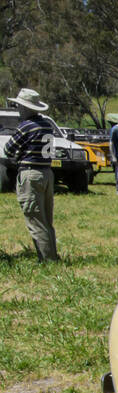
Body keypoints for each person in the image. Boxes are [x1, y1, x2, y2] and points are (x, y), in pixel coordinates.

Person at [2, 87, 59, 262]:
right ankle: (52, 254)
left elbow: (8, 149)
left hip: (30, 174)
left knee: (34, 218)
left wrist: (20, 155)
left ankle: (47, 260)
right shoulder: (47, 125)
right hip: (47, 173)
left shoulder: (26, 126)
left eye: (20, 106)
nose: (18, 109)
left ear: (26, 108)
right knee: (46, 219)